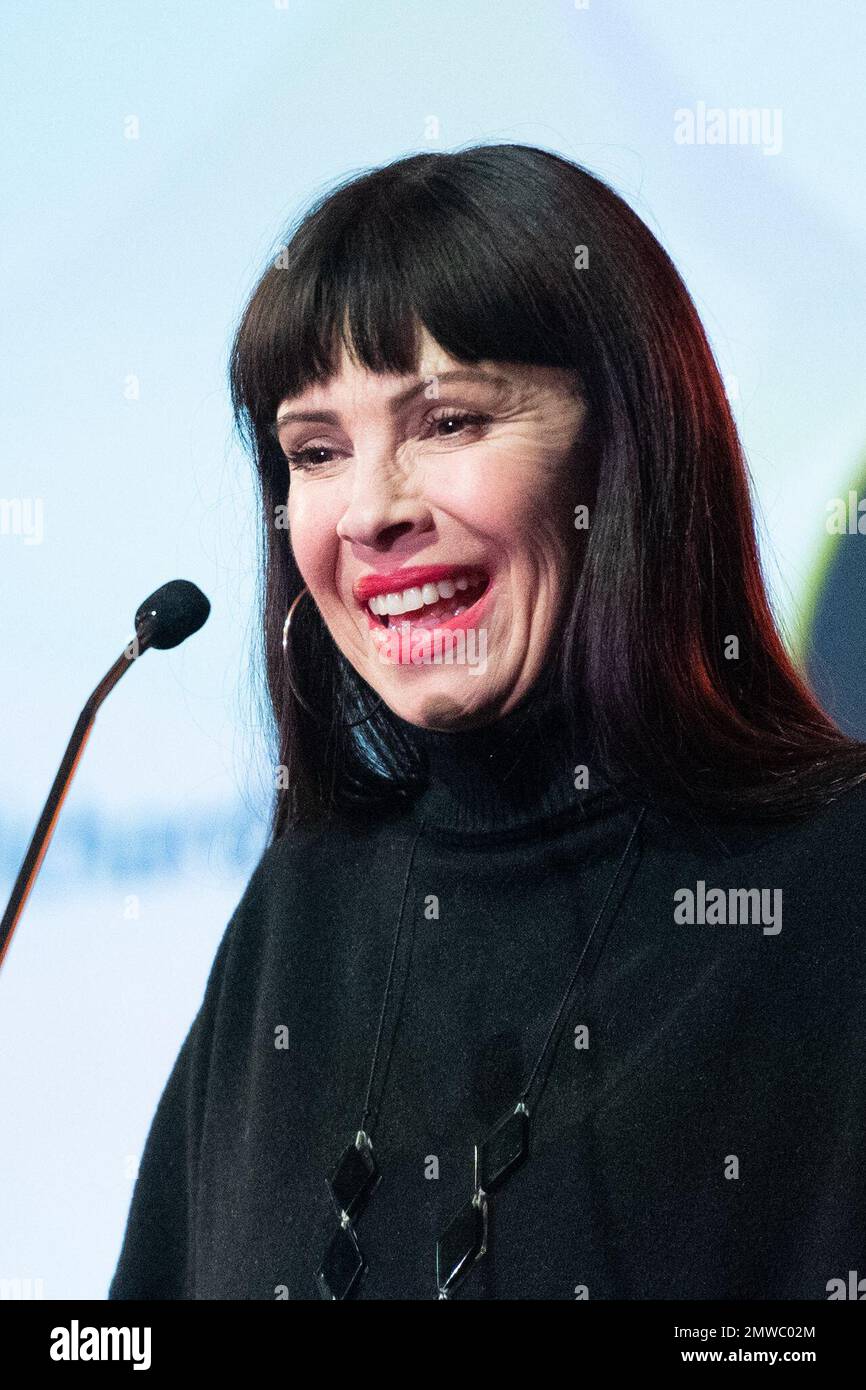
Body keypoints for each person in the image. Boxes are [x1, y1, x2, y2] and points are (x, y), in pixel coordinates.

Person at [109, 144, 866, 1301]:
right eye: (315, 451)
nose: (371, 511)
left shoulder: (832, 889)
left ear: (627, 442)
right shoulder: (300, 909)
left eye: (450, 423)